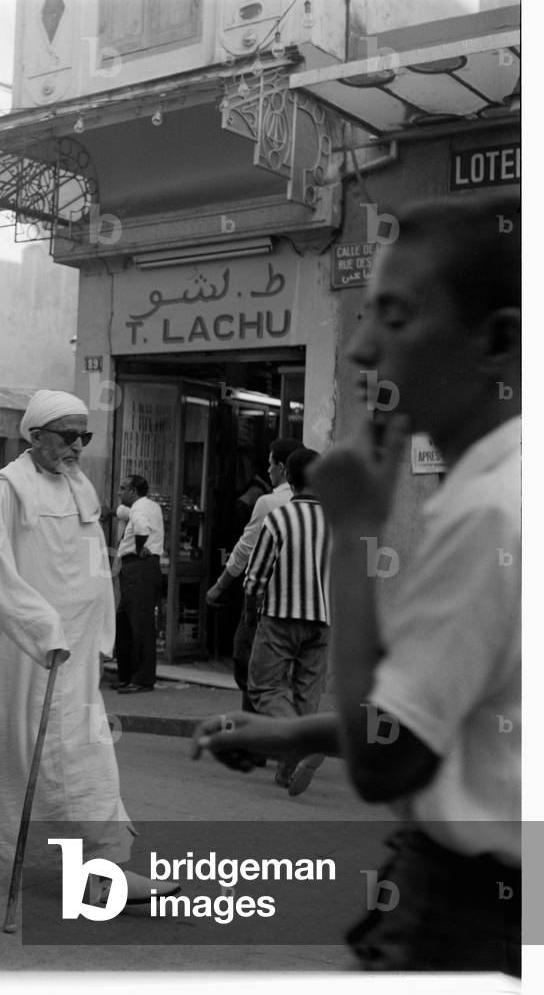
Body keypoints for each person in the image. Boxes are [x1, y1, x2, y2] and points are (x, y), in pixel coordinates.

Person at [195, 194, 520, 974]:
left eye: (397, 317)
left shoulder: (490, 510)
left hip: (464, 914)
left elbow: (387, 763)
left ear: (499, 340)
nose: (366, 347)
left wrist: (354, 530)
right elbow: (450, 710)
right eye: (366, 313)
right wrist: (295, 731)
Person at [0, 390, 179, 906]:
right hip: (10, 651)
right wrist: (41, 627)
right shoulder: (8, 488)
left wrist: (100, 623)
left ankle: (100, 871)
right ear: (35, 436)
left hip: (74, 656)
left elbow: (90, 561)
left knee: (86, 760)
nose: (78, 448)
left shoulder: (81, 486)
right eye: (68, 437)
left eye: (84, 437)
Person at [241, 447, 329, 792]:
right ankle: (287, 769)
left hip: (281, 615)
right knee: (308, 694)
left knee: (263, 686)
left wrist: (250, 611)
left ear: (288, 479)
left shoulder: (279, 517)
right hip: (322, 619)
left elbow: (256, 575)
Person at [206, 439, 305, 715]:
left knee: (249, 663)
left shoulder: (269, 503)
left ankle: (262, 733)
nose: (268, 470)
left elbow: (244, 551)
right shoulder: (323, 508)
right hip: (305, 602)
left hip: (265, 599)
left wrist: (219, 586)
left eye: (270, 464)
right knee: (295, 674)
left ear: (283, 468)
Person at [111, 474, 164, 693]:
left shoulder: (140, 508)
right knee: (125, 621)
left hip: (139, 565)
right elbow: (123, 511)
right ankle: (127, 673)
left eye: (123, 488)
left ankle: (142, 678)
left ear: (133, 491)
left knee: (139, 623)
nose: (119, 491)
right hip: (139, 567)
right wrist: (109, 512)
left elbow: (141, 527)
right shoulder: (147, 505)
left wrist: (141, 546)